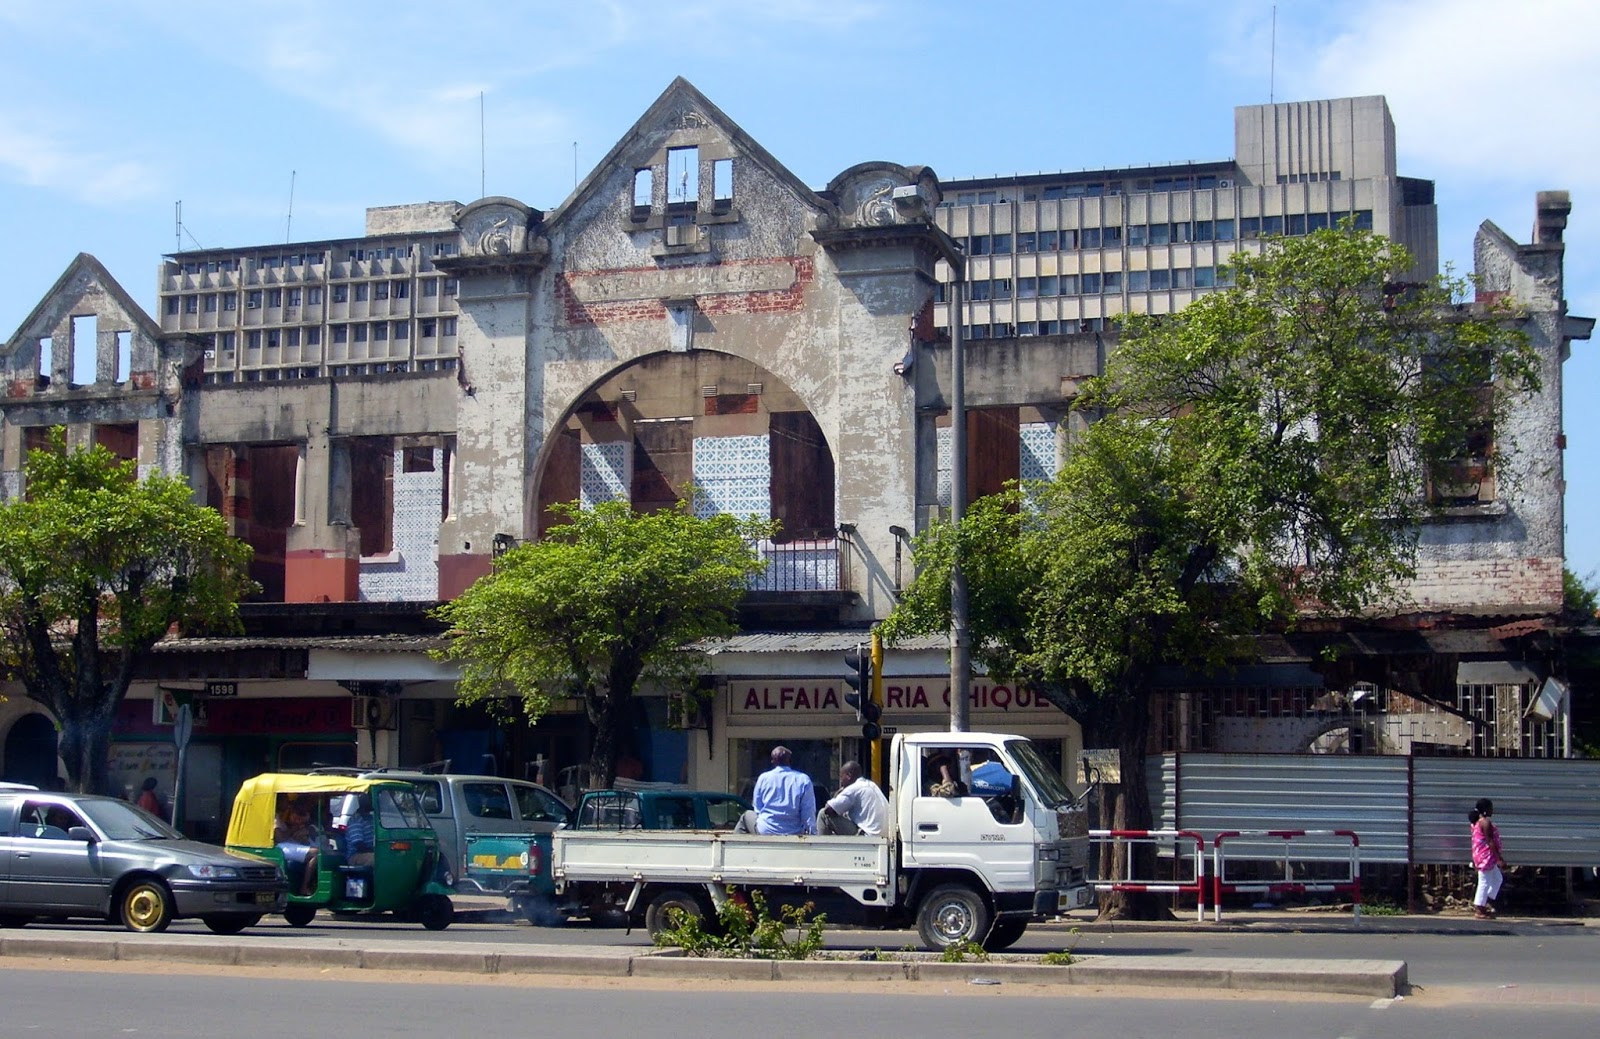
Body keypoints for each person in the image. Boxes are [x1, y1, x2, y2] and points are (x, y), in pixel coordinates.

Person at [735, 746, 816, 835]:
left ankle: (737, 847)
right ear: (790, 761)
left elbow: (758, 809)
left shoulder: (763, 778)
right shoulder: (803, 779)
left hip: (765, 830)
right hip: (794, 832)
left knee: (746, 815)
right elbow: (808, 812)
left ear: (773, 761)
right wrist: (813, 835)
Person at [818, 761, 887, 836]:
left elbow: (828, 809)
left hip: (867, 835)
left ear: (848, 776)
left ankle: (821, 846)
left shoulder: (854, 788)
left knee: (823, 814)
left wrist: (837, 794)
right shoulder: (871, 785)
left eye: (841, 777)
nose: (841, 781)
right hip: (882, 835)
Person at [274, 798, 321, 895]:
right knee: (316, 852)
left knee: (320, 854)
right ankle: (305, 887)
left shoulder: (284, 816)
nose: (287, 803)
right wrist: (294, 830)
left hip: (288, 844)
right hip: (280, 847)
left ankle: (311, 885)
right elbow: (280, 838)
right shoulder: (275, 818)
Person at [1470, 798, 1506, 920]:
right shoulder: (1484, 822)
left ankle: (1485, 902)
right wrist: (1499, 859)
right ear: (1485, 809)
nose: (1492, 810)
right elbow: (1490, 841)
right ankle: (1479, 908)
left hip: (1486, 856)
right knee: (1484, 882)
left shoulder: (1478, 822)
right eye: (1490, 807)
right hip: (1486, 857)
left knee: (1497, 878)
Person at [342, 793, 376, 867]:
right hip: (355, 855)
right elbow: (359, 845)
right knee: (378, 859)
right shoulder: (355, 820)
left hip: (369, 851)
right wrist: (377, 851)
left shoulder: (370, 818)